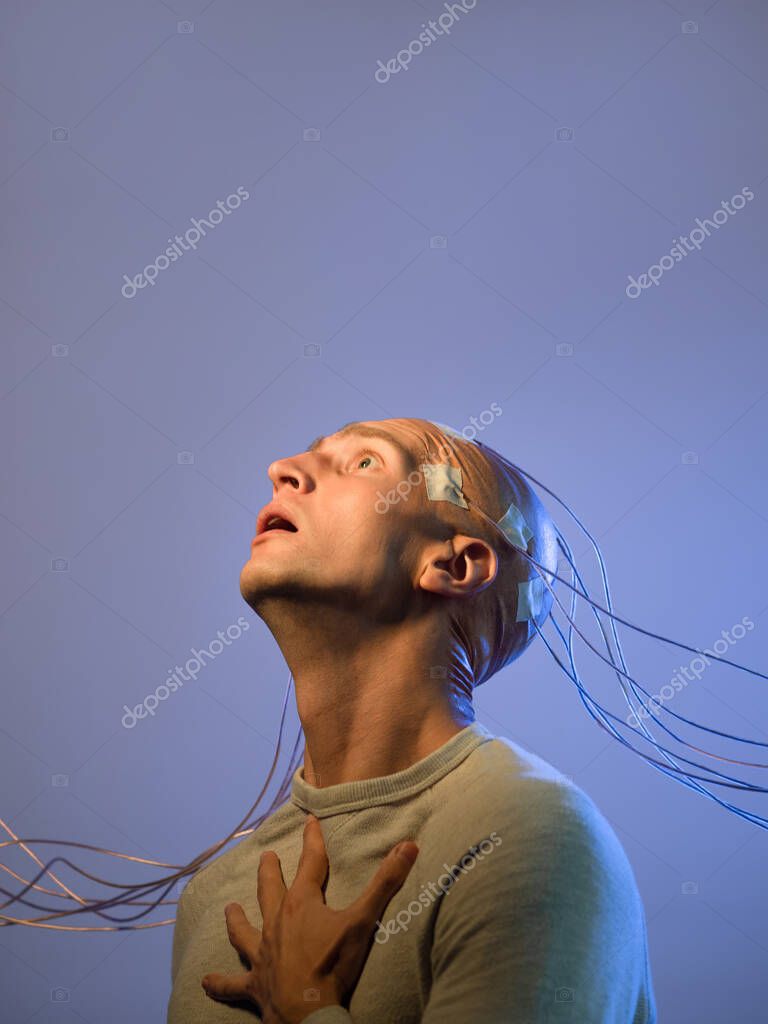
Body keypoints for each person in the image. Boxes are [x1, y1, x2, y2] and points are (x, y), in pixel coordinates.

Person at [167, 417, 657, 1023]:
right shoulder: (216, 895)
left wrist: (304, 1006)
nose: (282, 470)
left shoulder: (528, 833)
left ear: (454, 566)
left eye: (365, 462)